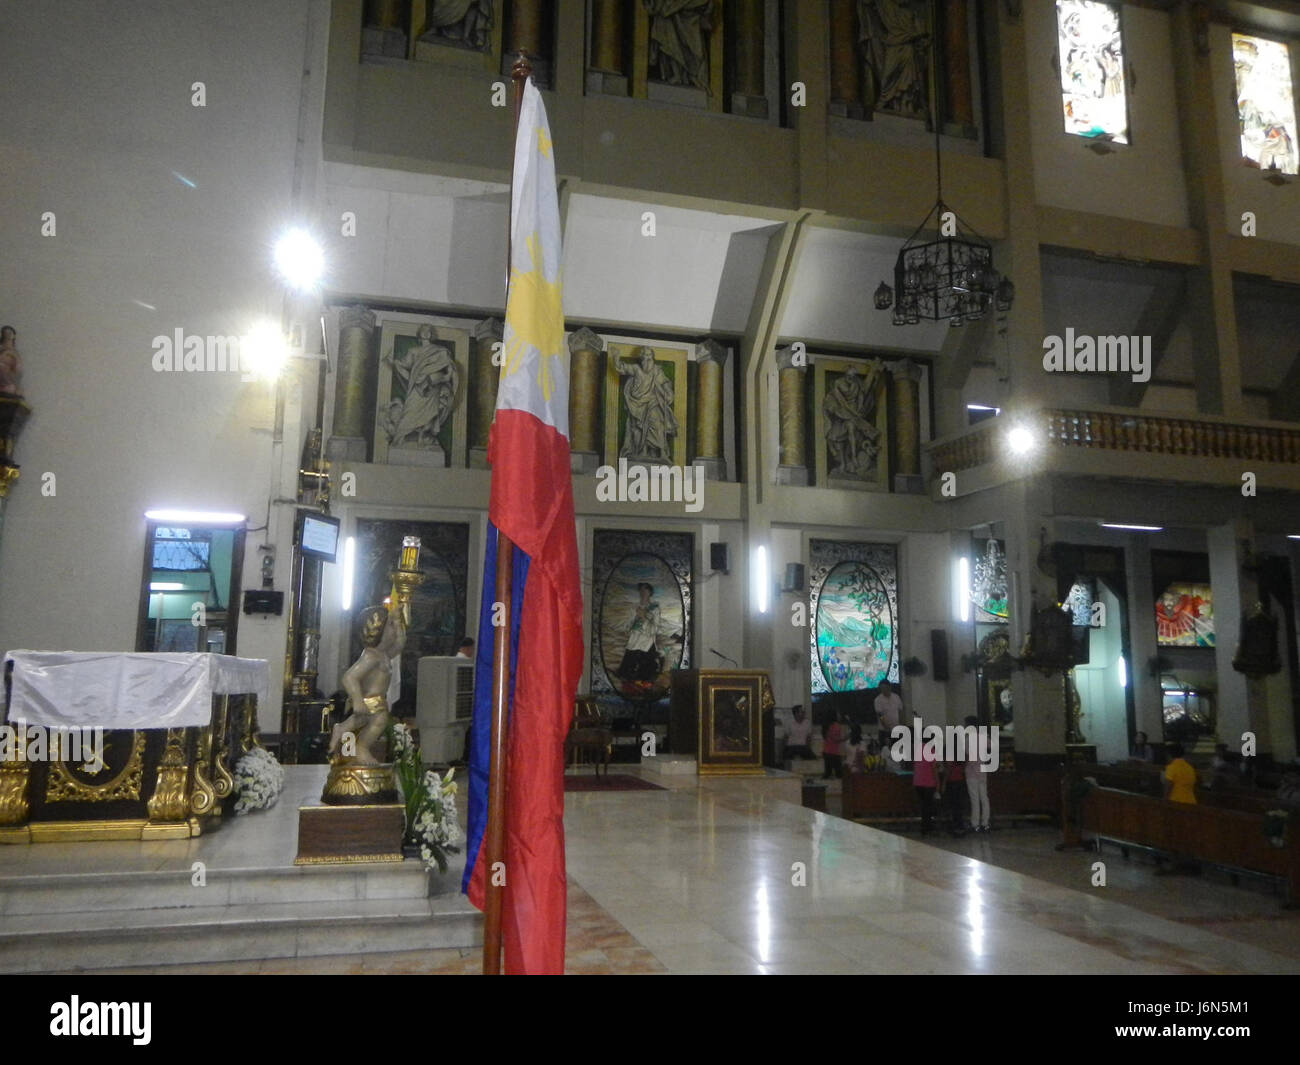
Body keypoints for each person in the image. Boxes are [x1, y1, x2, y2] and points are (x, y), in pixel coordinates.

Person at [965, 715, 991, 833]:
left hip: (971, 773)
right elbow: (992, 746)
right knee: (984, 798)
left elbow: (965, 757)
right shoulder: (983, 737)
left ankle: (975, 823)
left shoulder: (967, 740)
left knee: (974, 799)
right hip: (982, 771)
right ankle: (985, 823)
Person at [874, 679, 903, 766]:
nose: (883, 690)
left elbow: (901, 712)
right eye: (881, 689)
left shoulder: (896, 697)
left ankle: (899, 767)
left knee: (898, 750)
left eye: (885, 688)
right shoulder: (878, 700)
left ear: (889, 687)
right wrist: (886, 727)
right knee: (885, 751)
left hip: (897, 729)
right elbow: (880, 715)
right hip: (884, 730)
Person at [913, 742, 938, 836]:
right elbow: (934, 768)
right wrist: (938, 782)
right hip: (928, 782)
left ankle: (924, 827)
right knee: (928, 806)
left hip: (918, 782)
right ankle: (927, 827)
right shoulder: (931, 750)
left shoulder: (917, 749)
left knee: (923, 806)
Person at [943, 757, 966, 836]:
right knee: (958, 806)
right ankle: (960, 827)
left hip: (952, 782)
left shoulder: (950, 755)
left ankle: (955, 827)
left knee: (953, 806)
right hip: (960, 781)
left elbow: (948, 770)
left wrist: (943, 783)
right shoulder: (960, 755)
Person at [822, 713, 844, 779]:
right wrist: (846, 737)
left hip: (826, 751)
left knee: (828, 772)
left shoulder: (826, 725)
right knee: (839, 773)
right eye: (838, 715)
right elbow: (836, 739)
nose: (840, 716)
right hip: (833, 752)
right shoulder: (836, 726)